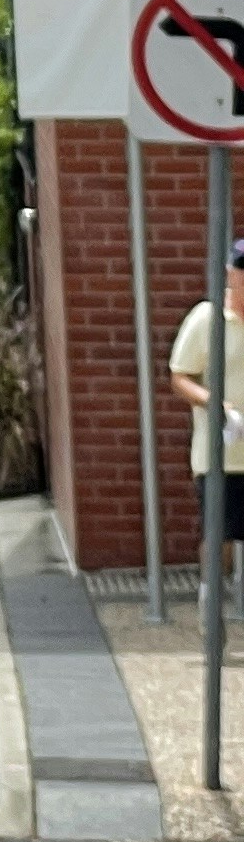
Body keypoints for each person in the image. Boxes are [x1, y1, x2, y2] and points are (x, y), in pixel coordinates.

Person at [168, 235, 244, 592]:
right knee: (220, 536)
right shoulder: (208, 318)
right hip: (220, 456)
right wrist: (213, 402)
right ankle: (210, 612)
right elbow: (180, 377)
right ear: (230, 274)